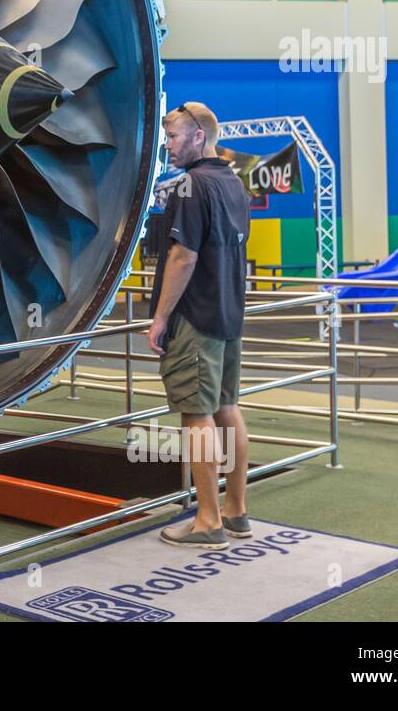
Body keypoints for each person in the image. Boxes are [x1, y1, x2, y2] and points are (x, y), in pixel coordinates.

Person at [146, 102, 252, 550]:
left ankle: (207, 521)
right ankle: (236, 511)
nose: (167, 145)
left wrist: (161, 316)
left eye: (173, 136)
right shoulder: (234, 182)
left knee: (197, 413)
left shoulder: (191, 186)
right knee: (227, 407)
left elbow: (183, 255)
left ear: (198, 137)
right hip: (228, 315)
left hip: (195, 318)